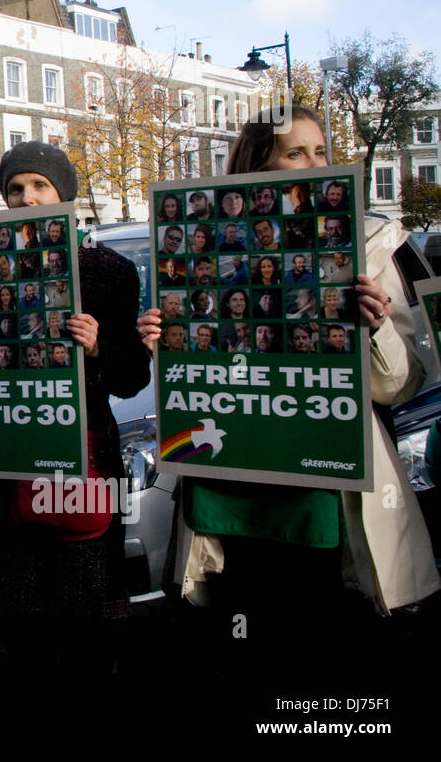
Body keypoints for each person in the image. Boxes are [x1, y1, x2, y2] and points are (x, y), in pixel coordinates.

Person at [136, 105, 440, 662]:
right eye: (294, 153)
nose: (313, 164)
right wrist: (162, 337)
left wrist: (372, 331)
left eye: (320, 151)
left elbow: (398, 386)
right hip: (231, 504)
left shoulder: (365, 245)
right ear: (256, 167)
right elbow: (192, 387)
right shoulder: (199, 247)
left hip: (322, 501)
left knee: (317, 643)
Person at [0, 140, 149, 673]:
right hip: (5, 464)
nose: (26, 197)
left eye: (40, 185)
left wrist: (97, 348)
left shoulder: (107, 269)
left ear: (63, 195)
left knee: (86, 624)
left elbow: (134, 377)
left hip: (79, 460)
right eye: (15, 188)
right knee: (24, 629)